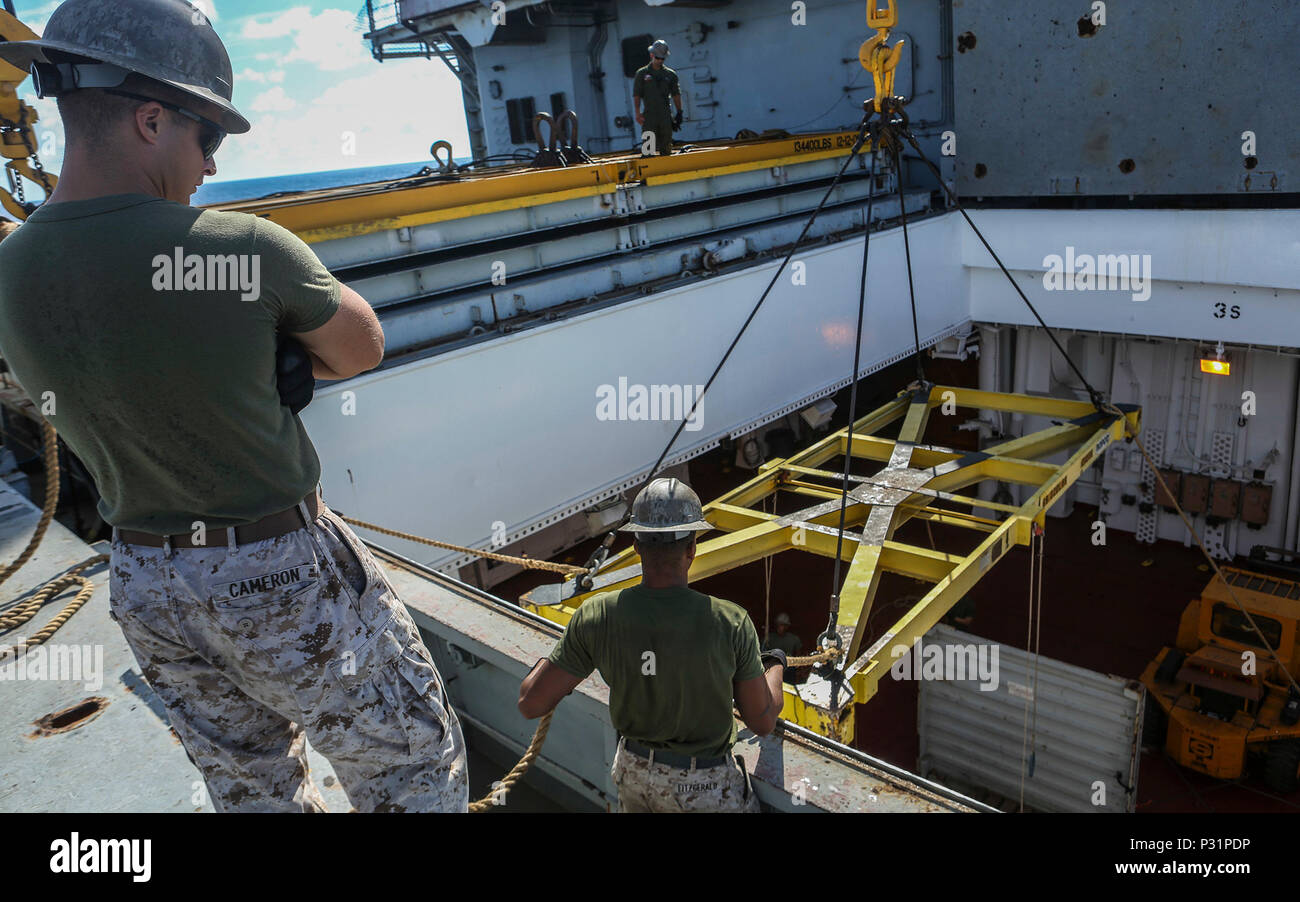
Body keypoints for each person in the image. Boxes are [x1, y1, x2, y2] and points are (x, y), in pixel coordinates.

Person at [0, 0, 467, 813]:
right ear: (151, 119)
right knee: (410, 767)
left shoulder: (9, 269)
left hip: (145, 580)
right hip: (276, 573)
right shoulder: (243, 249)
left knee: (251, 789)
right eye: (207, 135)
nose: (212, 164)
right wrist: (285, 361)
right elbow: (361, 348)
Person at [518, 477, 787, 812]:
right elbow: (762, 721)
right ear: (692, 548)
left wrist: (563, 653)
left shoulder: (596, 614)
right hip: (703, 785)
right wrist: (774, 667)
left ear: (637, 546)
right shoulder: (730, 621)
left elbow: (531, 703)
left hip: (633, 776)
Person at [632, 39, 683, 156]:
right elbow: (637, 95)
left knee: (666, 148)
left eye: (662, 59)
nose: (660, 61)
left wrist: (679, 112)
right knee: (648, 149)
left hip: (665, 116)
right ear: (652, 55)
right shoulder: (642, 74)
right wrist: (638, 113)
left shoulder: (670, 75)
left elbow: (676, 94)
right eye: (657, 58)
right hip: (649, 116)